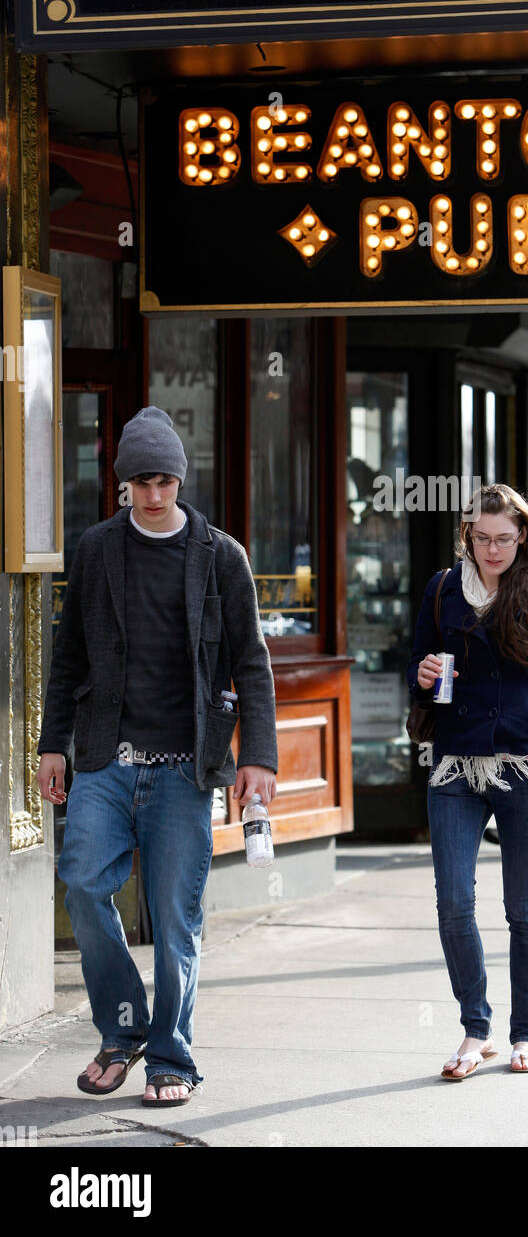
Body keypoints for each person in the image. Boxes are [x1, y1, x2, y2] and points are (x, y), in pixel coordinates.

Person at [37, 407, 278, 1106]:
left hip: (183, 769)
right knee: (83, 884)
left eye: (165, 480)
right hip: (106, 760)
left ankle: (171, 1057)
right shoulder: (97, 550)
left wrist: (257, 757)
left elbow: (252, 665)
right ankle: (122, 1031)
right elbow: (68, 658)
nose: (154, 494)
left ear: (180, 480)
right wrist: (55, 744)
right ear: (123, 485)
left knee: (176, 921)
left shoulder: (221, 556)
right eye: (142, 481)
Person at [407, 483, 528, 1079]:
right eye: (482, 538)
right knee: (454, 902)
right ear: (469, 536)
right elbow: (415, 667)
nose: (492, 550)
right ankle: (474, 1028)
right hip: (454, 764)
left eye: (504, 539)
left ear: (524, 537)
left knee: (523, 908)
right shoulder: (442, 590)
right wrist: (425, 671)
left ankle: (527, 1032)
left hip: (525, 767)